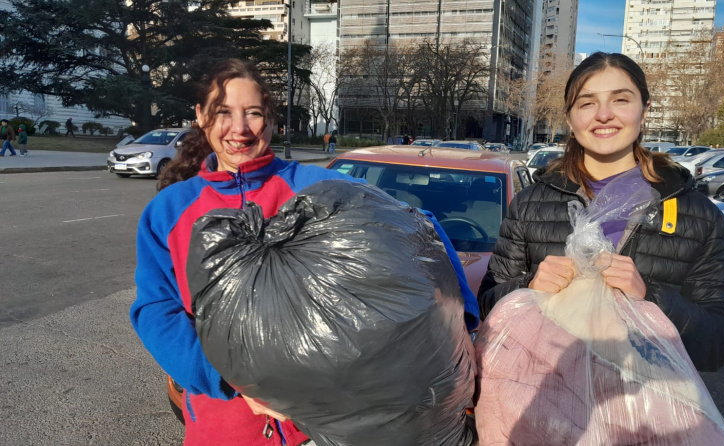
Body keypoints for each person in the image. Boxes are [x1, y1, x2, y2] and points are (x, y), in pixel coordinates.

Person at [130, 59, 478, 446]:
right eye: (223, 112)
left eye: (254, 113)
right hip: (224, 426)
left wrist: (458, 315)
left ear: (273, 120)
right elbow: (155, 310)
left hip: (319, 428)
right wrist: (229, 381)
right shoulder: (170, 211)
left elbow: (417, 223)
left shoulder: (317, 185)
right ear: (200, 116)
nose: (240, 129)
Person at [477, 52, 724, 373]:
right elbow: (488, 305)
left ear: (644, 111)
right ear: (571, 120)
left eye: (620, 100)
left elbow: (722, 342)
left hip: (644, 414)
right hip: (547, 404)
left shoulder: (697, 215)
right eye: (587, 103)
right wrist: (529, 286)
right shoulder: (530, 203)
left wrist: (651, 299)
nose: (604, 115)